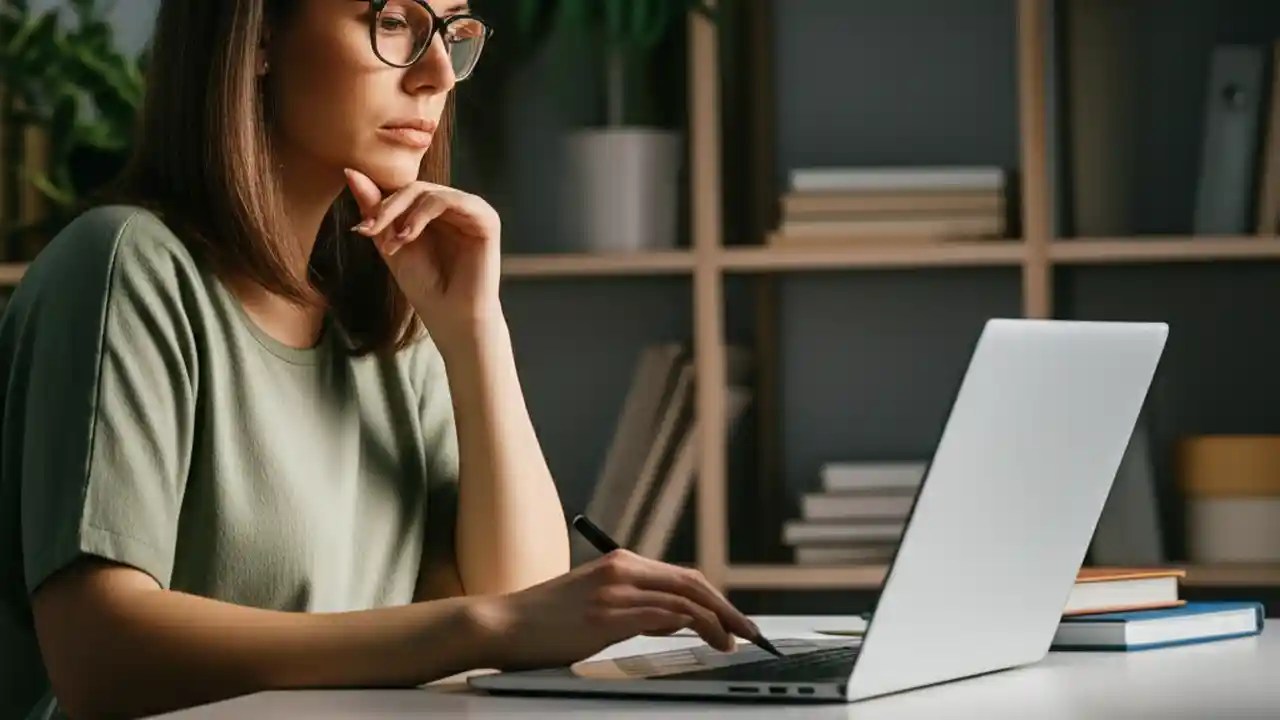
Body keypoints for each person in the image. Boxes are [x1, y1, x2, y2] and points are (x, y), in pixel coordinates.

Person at [0, 2, 757, 718]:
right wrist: (479, 627)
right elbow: (96, 654)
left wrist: (475, 332)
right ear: (258, 38)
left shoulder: (389, 319)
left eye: (454, 33)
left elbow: (522, 601)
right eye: (393, 22)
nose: (436, 73)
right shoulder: (125, 267)